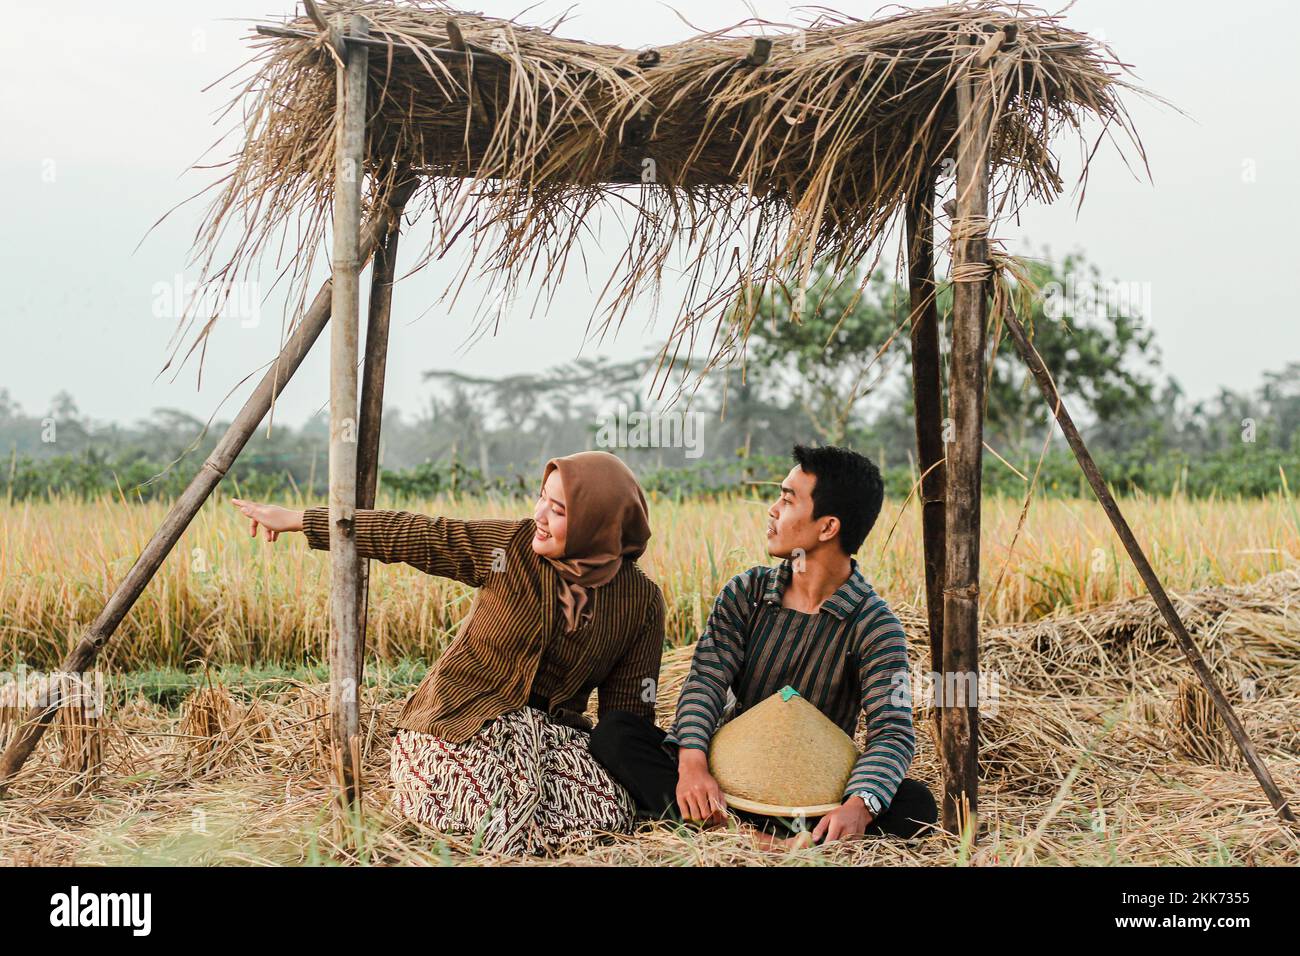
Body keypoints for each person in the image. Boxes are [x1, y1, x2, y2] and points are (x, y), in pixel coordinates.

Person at [232, 450, 665, 856]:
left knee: (611, 814)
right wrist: (303, 521)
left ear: (599, 524)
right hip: (457, 722)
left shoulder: (640, 602)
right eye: (541, 498)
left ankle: (521, 825)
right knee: (495, 819)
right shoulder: (508, 549)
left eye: (559, 510)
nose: (539, 516)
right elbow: (418, 534)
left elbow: (627, 718)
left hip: (550, 739)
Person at [591, 444, 938, 845]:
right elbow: (705, 680)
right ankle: (745, 835)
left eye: (788, 500)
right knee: (615, 734)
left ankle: (744, 832)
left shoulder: (875, 626)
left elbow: (891, 732)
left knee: (916, 804)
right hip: (728, 781)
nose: (773, 509)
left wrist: (858, 805)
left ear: (828, 527)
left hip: (810, 796)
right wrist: (692, 764)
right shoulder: (746, 592)